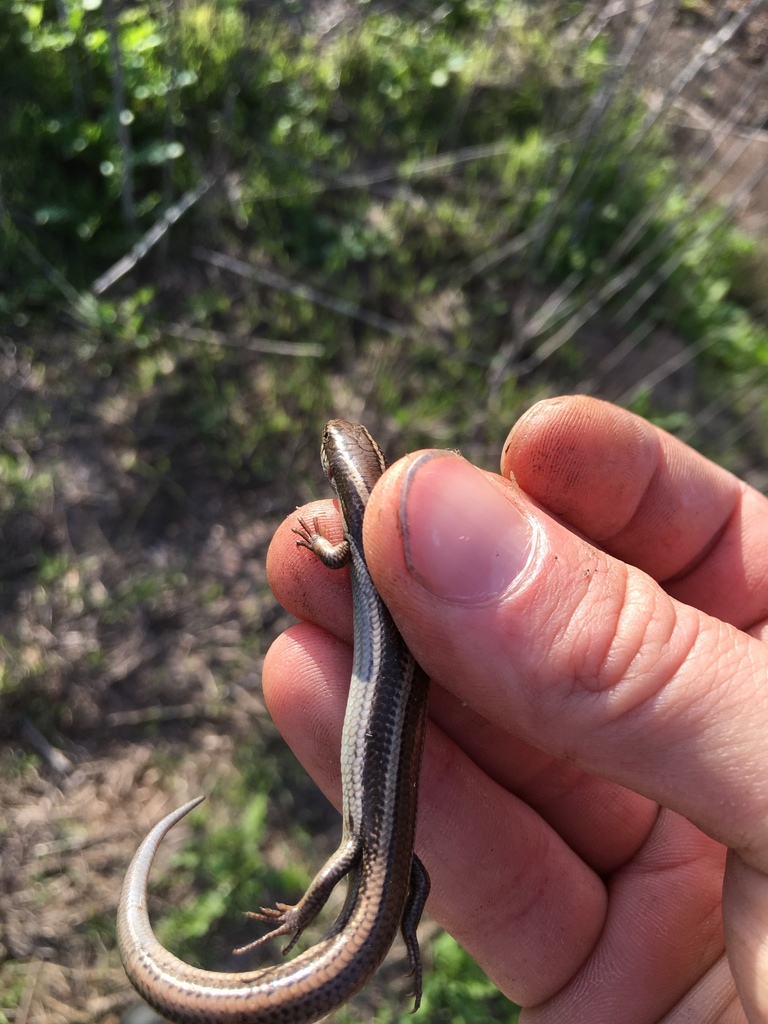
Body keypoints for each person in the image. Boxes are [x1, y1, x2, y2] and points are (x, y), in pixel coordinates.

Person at [263, 394, 767, 1024]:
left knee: (360, 860)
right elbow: (342, 559)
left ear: (339, 482)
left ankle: (316, 921)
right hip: (393, 835)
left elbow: (337, 558)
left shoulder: (361, 544)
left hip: (380, 830)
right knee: (395, 879)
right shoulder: (368, 540)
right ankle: (369, 930)